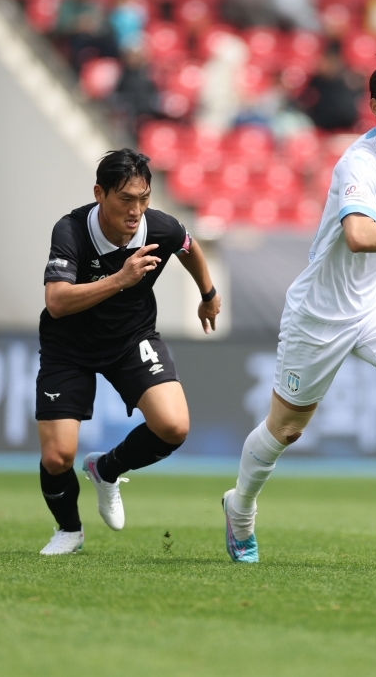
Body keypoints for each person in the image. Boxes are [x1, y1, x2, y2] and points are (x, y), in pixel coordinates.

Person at [221, 56, 376, 563]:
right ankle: (240, 507)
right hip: (321, 312)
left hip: (374, 301)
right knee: (286, 430)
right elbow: (357, 236)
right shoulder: (357, 165)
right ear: (375, 109)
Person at [36, 149, 221, 555]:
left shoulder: (160, 227)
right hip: (68, 347)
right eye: (125, 199)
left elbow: (188, 247)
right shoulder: (71, 231)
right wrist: (121, 279)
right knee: (56, 456)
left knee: (173, 427)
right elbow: (57, 302)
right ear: (100, 194)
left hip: (130, 339)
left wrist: (207, 294)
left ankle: (106, 469)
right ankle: (69, 530)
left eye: (144, 198)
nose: (136, 210)